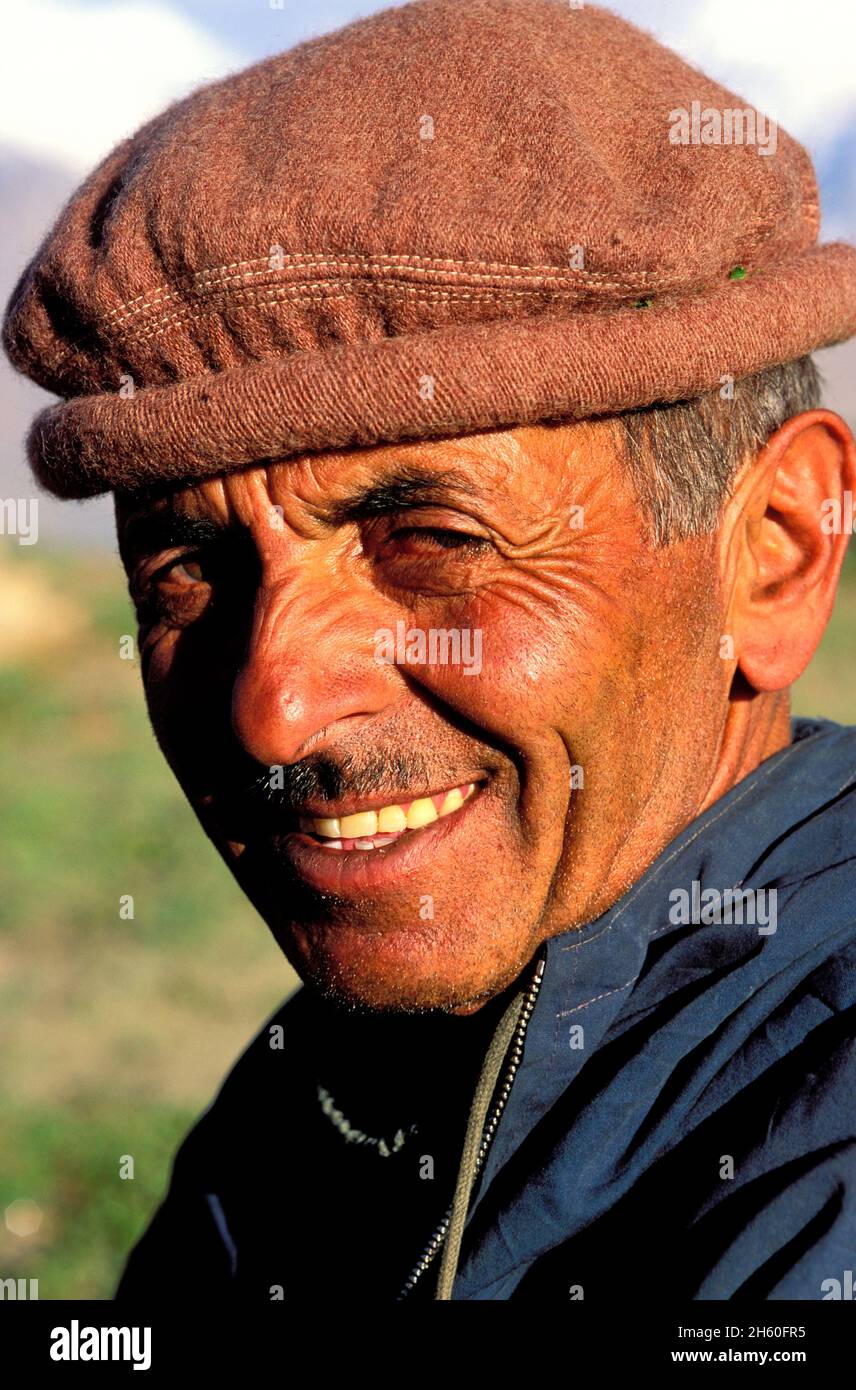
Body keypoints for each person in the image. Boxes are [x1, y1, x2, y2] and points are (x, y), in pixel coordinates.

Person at [4, 0, 856, 1301]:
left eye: (428, 538)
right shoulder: (326, 1093)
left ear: (776, 550)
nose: (273, 710)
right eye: (186, 569)